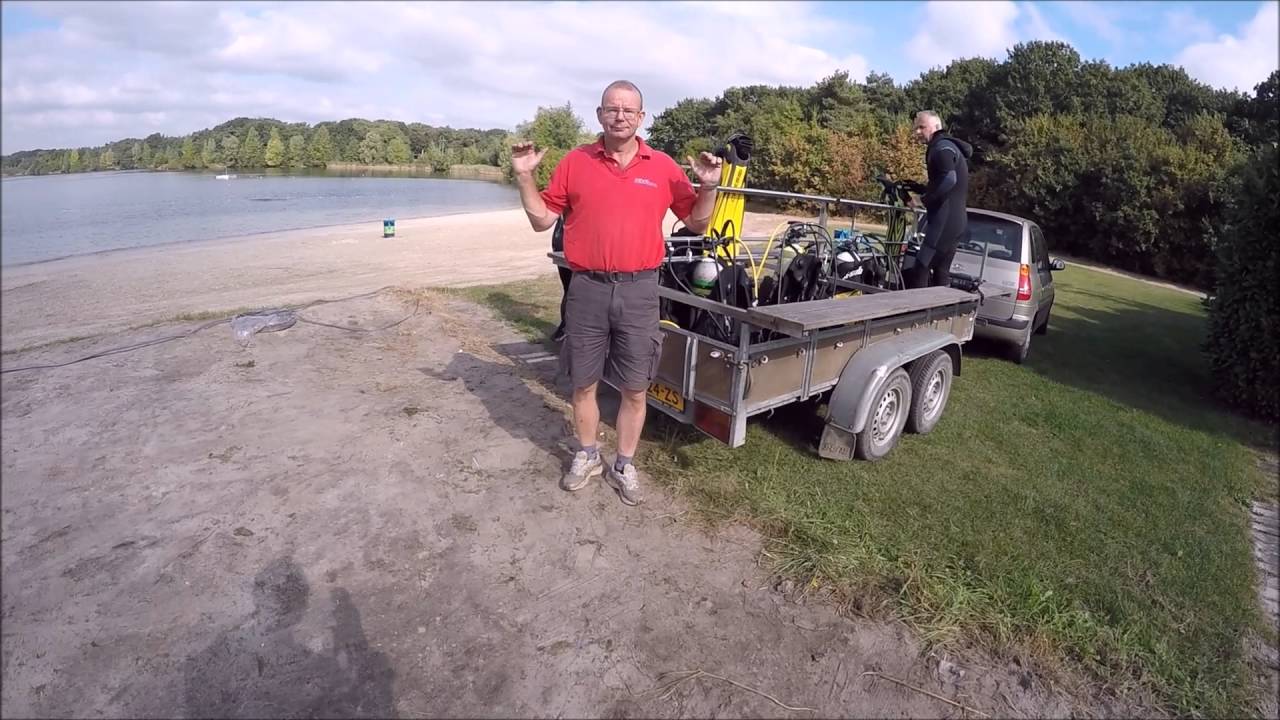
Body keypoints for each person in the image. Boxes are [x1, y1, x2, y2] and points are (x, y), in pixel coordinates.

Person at [510, 80, 722, 506]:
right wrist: (525, 175)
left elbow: (699, 224)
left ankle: (624, 462)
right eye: (612, 109)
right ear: (600, 114)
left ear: (641, 117)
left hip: (641, 290)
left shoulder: (661, 166)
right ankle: (587, 455)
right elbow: (540, 219)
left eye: (629, 110)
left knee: (634, 387)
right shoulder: (576, 162)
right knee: (584, 383)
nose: (620, 115)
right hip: (586, 289)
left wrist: (709, 185)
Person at [908, 110, 973, 289]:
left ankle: (919, 315)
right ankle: (941, 316)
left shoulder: (941, 147)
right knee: (941, 271)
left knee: (921, 267)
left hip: (945, 220)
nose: (917, 132)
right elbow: (943, 183)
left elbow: (949, 179)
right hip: (956, 220)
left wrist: (922, 200)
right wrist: (917, 188)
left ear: (936, 126)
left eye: (921, 127)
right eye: (916, 128)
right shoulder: (949, 147)